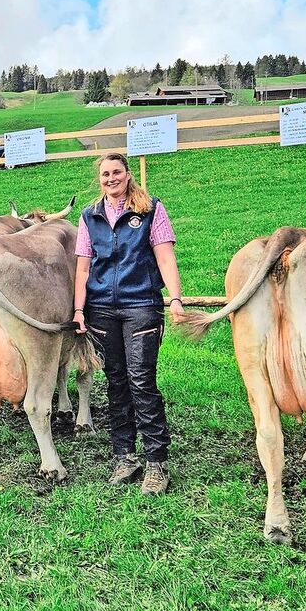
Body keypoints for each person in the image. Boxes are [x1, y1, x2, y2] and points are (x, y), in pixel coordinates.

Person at [72, 152, 185, 495]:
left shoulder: (150, 210)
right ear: (100, 178)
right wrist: (79, 309)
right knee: (116, 382)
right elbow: (82, 268)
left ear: (127, 173)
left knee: (141, 381)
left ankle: (156, 462)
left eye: (116, 172)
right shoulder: (89, 216)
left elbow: (165, 256)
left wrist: (176, 298)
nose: (111, 178)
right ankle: (125, 456)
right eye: (105, 174)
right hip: (101, 309)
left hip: (141, 305)